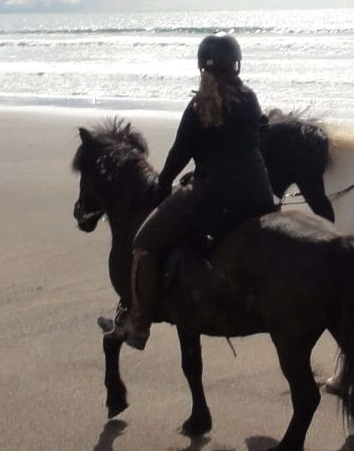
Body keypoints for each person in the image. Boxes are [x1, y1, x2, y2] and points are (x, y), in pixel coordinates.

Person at [115, 33, 276, 349]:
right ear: (237, 64)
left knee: (143, 244)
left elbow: (179, 154)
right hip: (258, 195)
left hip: (213, 198)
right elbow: (259, 137)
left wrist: (162, 186)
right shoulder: (250, 98)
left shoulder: (198, 107)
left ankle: (138, 323)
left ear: (202, 67)